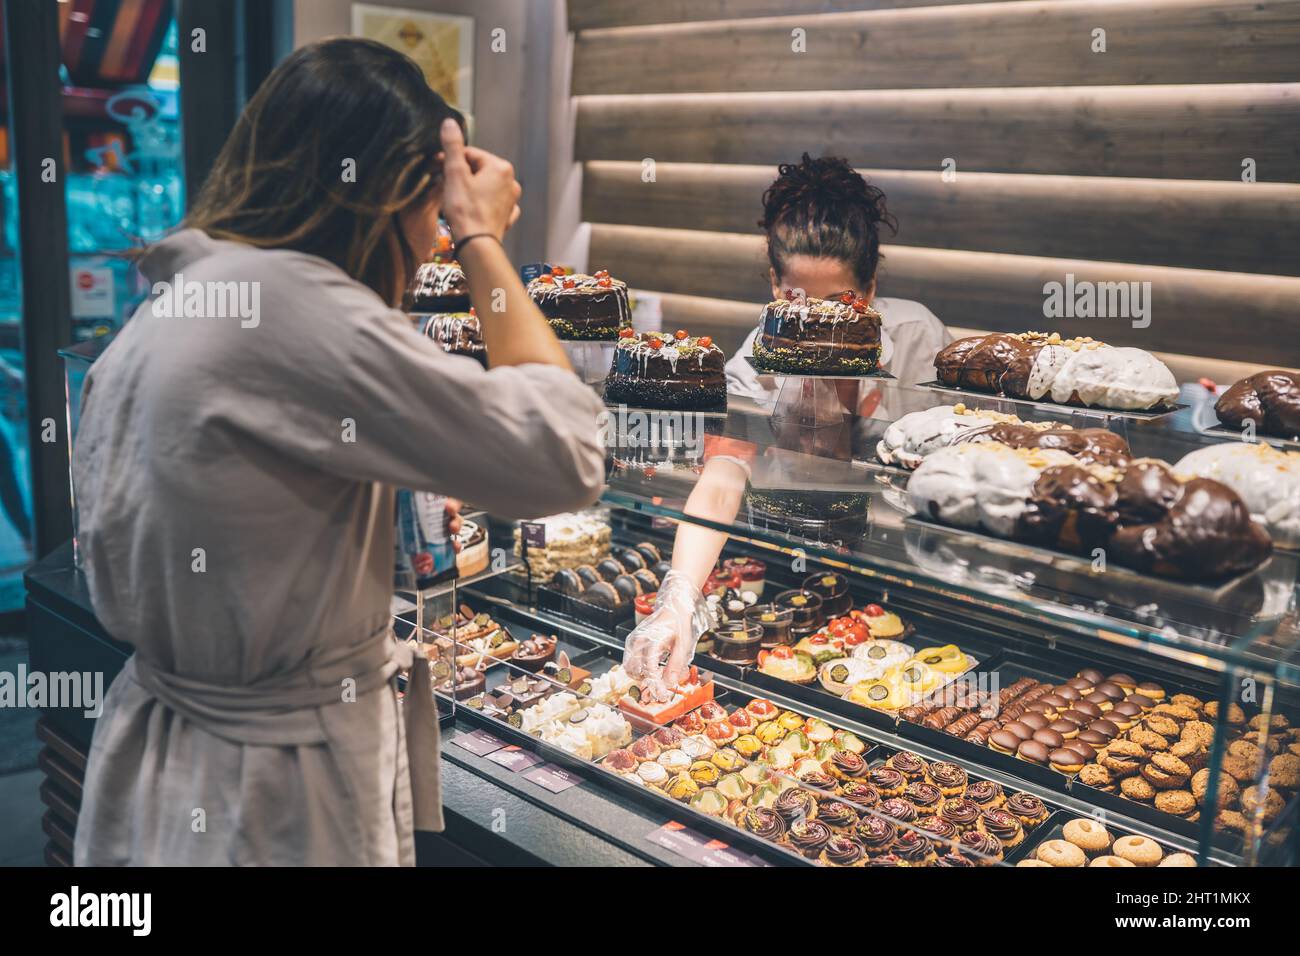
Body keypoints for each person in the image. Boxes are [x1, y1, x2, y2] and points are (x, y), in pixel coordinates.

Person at [71, 38, 605, 866]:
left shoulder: (188, 294)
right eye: (431, 213)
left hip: (172, 758)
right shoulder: (291, 306)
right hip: (274, 798)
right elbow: (564, 452)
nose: (430, 244)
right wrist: (481, 239)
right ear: (388, 193)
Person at [725, 154, 951, 399]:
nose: (818, 324)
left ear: (870, 289)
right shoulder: (751, 371)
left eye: (837, 304)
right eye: (800, 303)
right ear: (776, 287)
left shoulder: (919, 338)